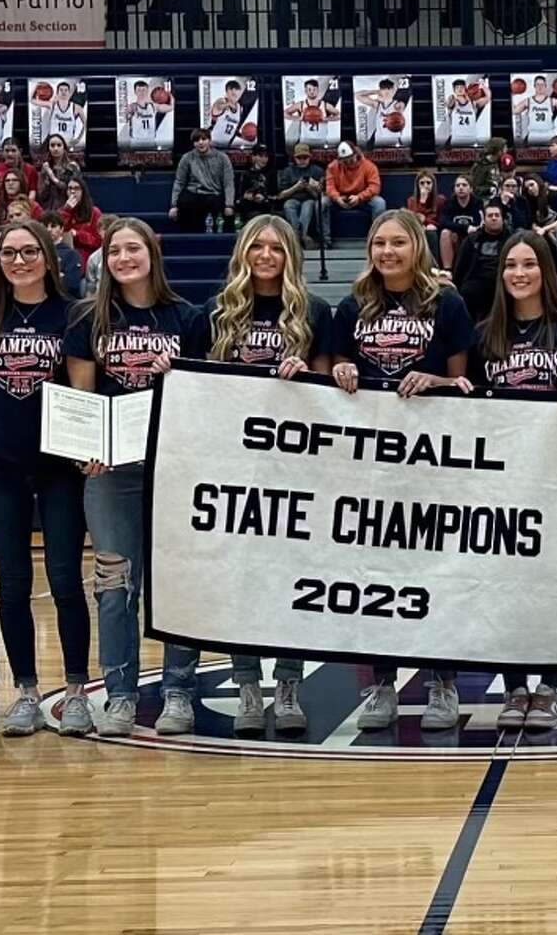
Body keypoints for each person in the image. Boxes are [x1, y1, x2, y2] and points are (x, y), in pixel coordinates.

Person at [169, 215, 332, 735]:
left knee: (289, 579)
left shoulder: (314, 312)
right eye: (256, 246)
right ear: (242, 253)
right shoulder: (212, 316)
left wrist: (308, 377)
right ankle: (246, 686)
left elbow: (332, 395)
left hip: (295, 467)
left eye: (276, 248)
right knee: (238, 583)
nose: (265, 256)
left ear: (290, 256)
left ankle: (287, 685)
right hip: (230, 467)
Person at [326, 209, 476, 730]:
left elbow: (463, 385)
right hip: (371, 462)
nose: (387, 252)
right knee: (376, 577)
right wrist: (341, 368)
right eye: (379, 244)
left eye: (398, 243)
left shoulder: (447, 304)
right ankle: (382, 684)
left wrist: (431, 379)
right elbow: (335, 375)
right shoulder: (351, 307)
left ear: (417, 246)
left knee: (435, 573)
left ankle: (443, 681)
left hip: (431, 458)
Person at [62, 217, 199, 737]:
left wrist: (178, 373)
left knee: (173, 585)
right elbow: (84, 397)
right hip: (111, 470)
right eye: (114, 250)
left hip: (173, 467)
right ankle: (120, 695)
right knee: (115, 585)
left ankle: (179, 693)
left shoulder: (186, 315)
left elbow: (205, 399)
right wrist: (89, 448)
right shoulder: (89, 319)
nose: (123, 258)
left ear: (151, 254)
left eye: (132, 248)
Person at [0, 219, 93, 736]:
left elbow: (84, 394)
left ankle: (78, 691)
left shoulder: (73, 315)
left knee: (65, 580)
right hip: (0, 465)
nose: (19, 261)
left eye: (29, 251)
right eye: (9, 253)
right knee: (13, 583)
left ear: (49, 255)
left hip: (60, 465)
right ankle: (25, 692)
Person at [465, 229, 557, 731]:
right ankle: (514, 685)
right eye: (511, 266)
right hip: (500, 479)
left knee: (554, 584)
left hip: (556, 480)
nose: (520, 273)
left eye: (530, 265)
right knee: (504, 586)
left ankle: (550, 686)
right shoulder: (483, 335)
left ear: (546, 270)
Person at [452, 201, 513, 323]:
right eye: (490, 216)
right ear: (484, 219)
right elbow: (460, 267)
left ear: (502, 218)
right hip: (476, 281)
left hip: (501, 281)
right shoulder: (471, 240)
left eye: (497, 215)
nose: (494, 218)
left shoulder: (511, 239)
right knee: (467, 291)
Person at [170, 129, 235, 234]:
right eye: (197, 140)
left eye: (203, 139)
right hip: (194, 193)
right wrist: (173, 206)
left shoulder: (222, 158)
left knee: (218, 207)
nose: (200, 142)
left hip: (214, 194)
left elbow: (228, 183)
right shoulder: (187, 158)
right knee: (185, 204)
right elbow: (179, 182)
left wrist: (229, 205)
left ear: (209, 140)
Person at [327, 142, 387, 230]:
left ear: (356, 154)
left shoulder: (369, 166)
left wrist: (359, 197)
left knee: (379, 203)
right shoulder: (332, 167)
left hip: (362, 199)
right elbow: (330, 187)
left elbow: (375, 187)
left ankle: (376, 237)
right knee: (322, 203)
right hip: (340, 198)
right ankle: (325, 241)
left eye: (350, 159)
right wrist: (337, 198)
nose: (348, 163)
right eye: (344, 161)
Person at [277, 144, 327, 247]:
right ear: (294, 158)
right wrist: (295, 187)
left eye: (305, 157)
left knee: (307, 206)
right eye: (299, 158)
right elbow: (281, 195)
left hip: (309, 198)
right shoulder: (288, 171)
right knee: (288, 205)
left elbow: (319, 196)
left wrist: (309, 187)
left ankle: (300, 236)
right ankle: (298, 235)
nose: (302, 160)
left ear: (310, 157)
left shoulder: (317, 171)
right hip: (292, 198)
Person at [234, 150, 277, 224]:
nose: (264, 159)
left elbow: (275, 194)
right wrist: (247, 195)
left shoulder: (272, 173)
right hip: (250, 203)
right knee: (242, 203)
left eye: (266, 156)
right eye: (261, 156)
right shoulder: (247, 173)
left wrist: (265, 197)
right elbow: (241, 193)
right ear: (253, 157)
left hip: (266, 202)